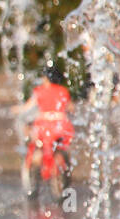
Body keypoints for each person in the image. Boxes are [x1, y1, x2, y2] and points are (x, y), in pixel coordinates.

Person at [14, 63, 75, 195]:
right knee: (62, 146)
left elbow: (27, 107)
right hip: (61, 124)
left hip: (44, 126)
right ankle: (64, 165)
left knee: (37, 146)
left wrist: (15, 110)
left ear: (46, 78)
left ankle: (36, 171)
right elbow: (71, 108)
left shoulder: (40, 90)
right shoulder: (63, 90)